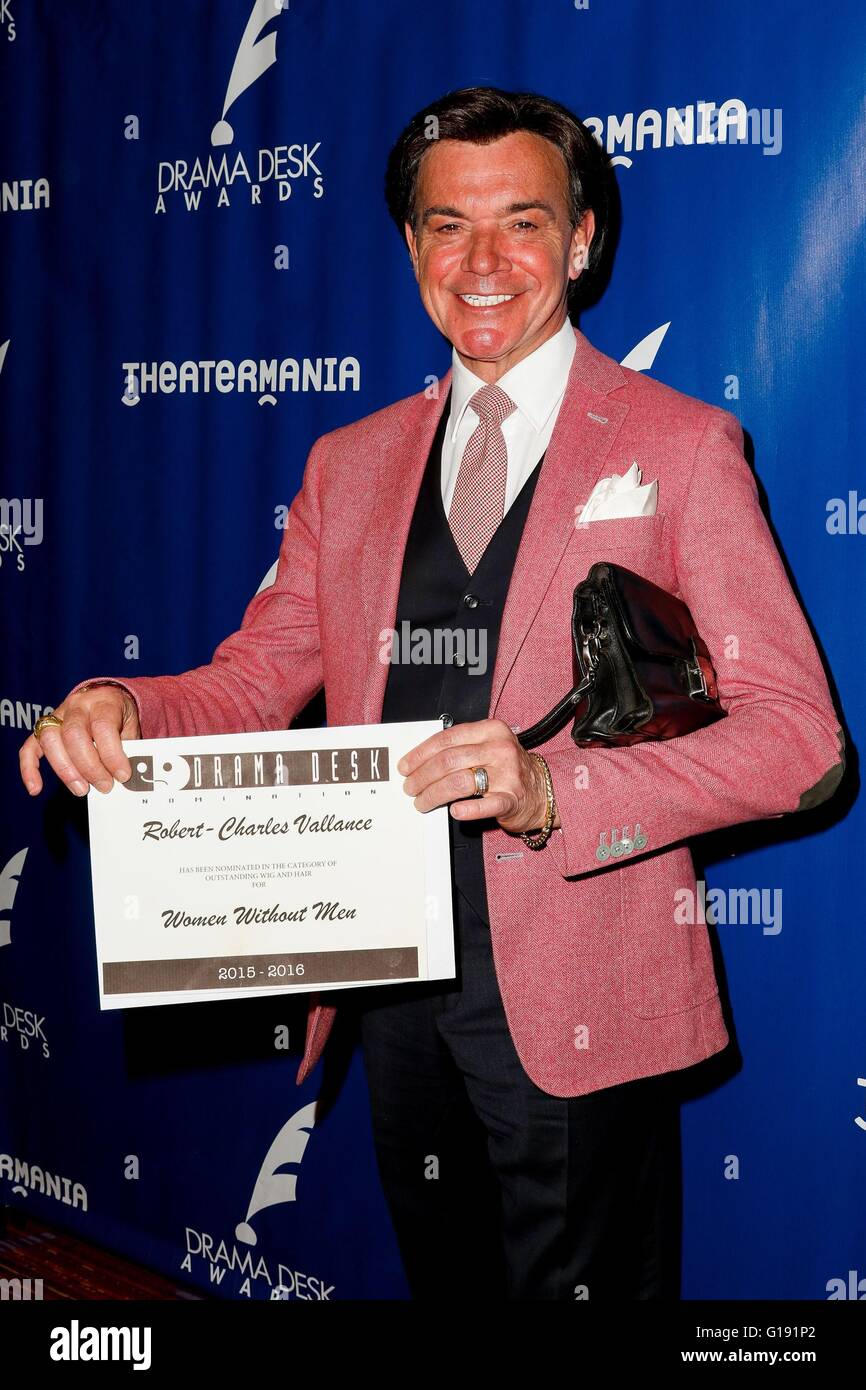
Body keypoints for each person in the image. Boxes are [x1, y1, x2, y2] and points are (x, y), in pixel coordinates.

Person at [19, 87, 845, 1301]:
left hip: (583, 988)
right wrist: (126, 708)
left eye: (522, 221)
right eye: (447, 225)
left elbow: (798, 739)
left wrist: (553, 791)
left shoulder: (679, 446)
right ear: (411, 247)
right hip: (388, 977)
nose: (482, 261)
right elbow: (254, 678)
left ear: (580, 240)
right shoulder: (347, 466)